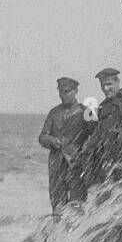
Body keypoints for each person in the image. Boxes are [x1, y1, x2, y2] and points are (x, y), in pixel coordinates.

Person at [37, 76, 89, 213]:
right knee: (57, 207)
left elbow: (93, 137)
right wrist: (52, 141)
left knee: (78, 206)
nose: (63, 95)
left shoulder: (85, 112)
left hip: (76, 166)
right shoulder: (54, 113)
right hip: (56, 167)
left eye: (67, 92)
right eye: (61, 92)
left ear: (76, 91)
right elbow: (42, 137)